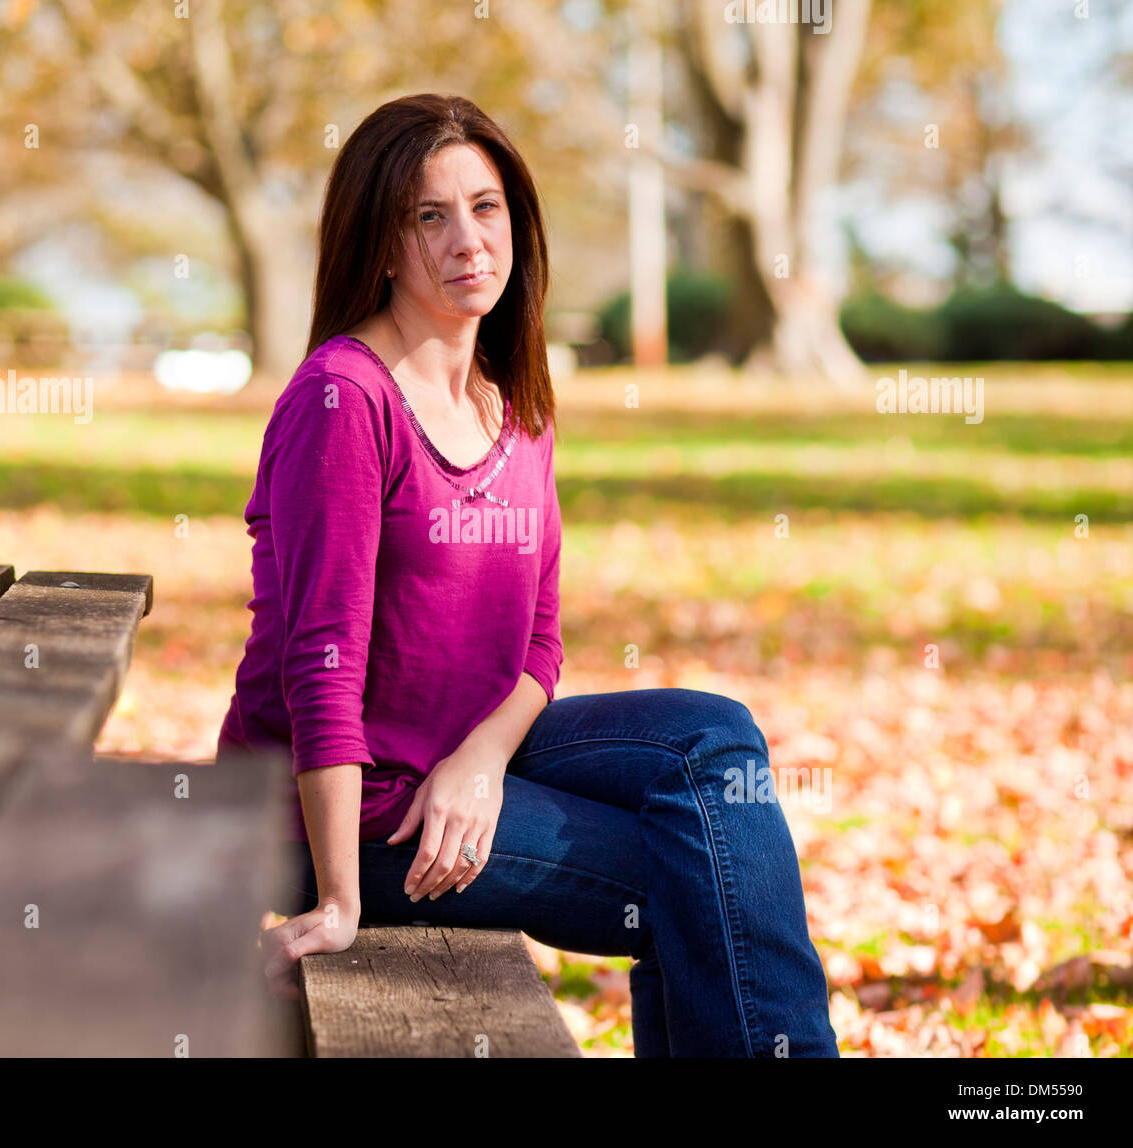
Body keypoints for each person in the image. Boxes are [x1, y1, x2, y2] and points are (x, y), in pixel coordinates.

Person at [216, 93, 838, 1057]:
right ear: (379, 245)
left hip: (460, 753)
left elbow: (540, 645)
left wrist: (482, 760)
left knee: (714, 738)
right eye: (430, 216)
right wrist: (339, 899)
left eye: (487, 206)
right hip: (346, 815)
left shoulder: (518, 411)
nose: (468, 239)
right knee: (705, 878)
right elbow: (321, 665)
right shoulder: (344, 401)